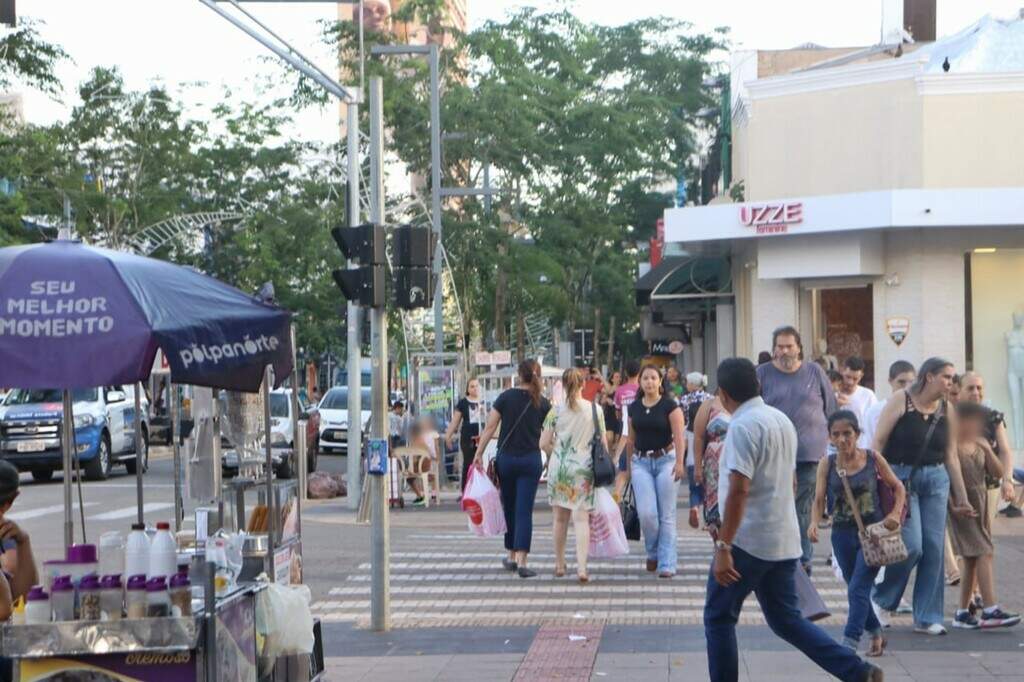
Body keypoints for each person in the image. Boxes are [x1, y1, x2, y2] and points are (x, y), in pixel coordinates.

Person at [704, 358, 883, 682]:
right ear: (758, 386)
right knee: (787, 621)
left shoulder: (742, 427)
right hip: (783, 540)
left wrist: (724, 545)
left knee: (718, 617)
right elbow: (791, 480)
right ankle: (857, 671)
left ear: (723, 394)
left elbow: (739, 491)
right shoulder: (780, 420)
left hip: (747, 542)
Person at [871, 357, 975, 635]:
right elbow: (878, 443)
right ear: (929, 377)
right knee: (912, 545)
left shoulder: (947, 409)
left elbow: (951, 455)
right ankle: (883, 599)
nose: (951, 383)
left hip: (936, 479)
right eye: (946, 377)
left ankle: (927, 616)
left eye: (952, 379)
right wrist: (876, 479)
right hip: (902, 479)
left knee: (934, 548)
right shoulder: (901, 400)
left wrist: (962, 497)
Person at [810, 411, 906, 655]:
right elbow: (819, 498)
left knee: (857, 589)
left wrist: (894, 514)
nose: (842, 440)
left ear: (857, 434)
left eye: (847, 434)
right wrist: (813, 522)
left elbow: (898, 487)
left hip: (873, 535)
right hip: (841, 535)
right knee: (857, 589)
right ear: (829, 437)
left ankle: (849, 644)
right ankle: (875, 633)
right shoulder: (827, 464)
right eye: (836, 435)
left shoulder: (873, 459)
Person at [756, 326, 837, 574]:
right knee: (777, 506)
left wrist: (836, 443)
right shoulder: (762, 374)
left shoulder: (814, 372)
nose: (784, 351)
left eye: (789, 346)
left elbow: (831, 408)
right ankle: (777, 556)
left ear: (799, 347)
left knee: (802, 507)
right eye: (779, 346)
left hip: (809, 455)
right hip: (773, 455)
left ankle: (802, 560)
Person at [472, 360, 552, 578]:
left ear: (519, 374)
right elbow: (552, 433)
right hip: (531, 461)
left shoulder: (505, 398)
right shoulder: (543, 403)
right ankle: (523, 559)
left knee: (509, 507)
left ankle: (511, 555)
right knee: (524, 510)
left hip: (506, 460)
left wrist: (478, 454)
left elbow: (489, 427)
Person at [947, 402, 1020, 629]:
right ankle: (990, 609)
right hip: (962, 507)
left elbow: (997, 472)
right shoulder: (950, 447)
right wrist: (954, 504)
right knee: (985, 551)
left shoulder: (978, 443)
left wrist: (987, 449)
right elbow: (945, 481)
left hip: (980, 503)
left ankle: (962, 611)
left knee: (970, 558)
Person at [540, 368, 605, 583]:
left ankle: (559, 564)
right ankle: (582, 568)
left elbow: (542, 443)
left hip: (559, 467)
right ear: (583, 384)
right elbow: (603, 443)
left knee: (559, 519)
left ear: (564, 385)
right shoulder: (595, 410)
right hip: (583, 468)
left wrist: (557, 452)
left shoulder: (555, 411)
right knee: (581, 519)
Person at [625, 364, 686, 578]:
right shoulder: (633, 408)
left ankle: (667, 562)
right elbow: (630, 439)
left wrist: (680, 463)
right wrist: (628, 468)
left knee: (666, 514)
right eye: (645, 378)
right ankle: (652, 551)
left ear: (660, 381)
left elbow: (679, 437)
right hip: (641, 462)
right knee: (647, 513)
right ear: (640, 382)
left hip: (666, 461)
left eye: (653, 378)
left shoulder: (670, 406)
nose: (649, 382)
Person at [960, 372, 1017, 515]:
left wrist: (1007, 480)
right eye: (970, 388)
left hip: (988, 484)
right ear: (959, 390)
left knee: (985, 531)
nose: (976, 392)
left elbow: (1005, 451)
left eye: (979, 388)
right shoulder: (950, 415)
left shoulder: (993, 417)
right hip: (957, 484)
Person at [692, 392, 731, 536]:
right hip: (714, 467)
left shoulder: (745, 402)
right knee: (715, 513)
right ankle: (719, 549)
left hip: (740, 463)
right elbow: (698, 437)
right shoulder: (709, 405)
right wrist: (697, 466)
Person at [859, 361, 915, 449]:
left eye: (911, 382)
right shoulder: (875, 410)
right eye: (901, 382)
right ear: (890, 381)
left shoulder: (919, 410)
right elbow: (869, 443)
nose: (906, 387)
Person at [680, 372, 711, 529]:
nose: (686, 385)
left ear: (692, 384)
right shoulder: (710, 399)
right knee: (709, 486)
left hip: (691, 440)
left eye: (687, 383)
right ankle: (708, 519)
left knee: (694, 485)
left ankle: (694, 507)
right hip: (709, 445)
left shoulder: (685, 400)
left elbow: (683, 422)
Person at [445, 378, 486, 495]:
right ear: (468, 389)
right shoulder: (463, 403)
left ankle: (479, 490)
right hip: (467, 438)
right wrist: (448, 435)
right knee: (469, 463)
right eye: (472, 386)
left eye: (477, 386)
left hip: (481, 437)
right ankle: (466, 491)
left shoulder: (483, 402)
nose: (475, 388)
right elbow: (455, 421)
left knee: (481, 464)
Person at [612, 360, 641, 498]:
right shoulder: (643, 390)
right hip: (641, 438)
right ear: (640, 373)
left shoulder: (619, 391)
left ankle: (616, 500)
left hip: (625, 435)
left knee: (623, 473)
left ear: (625, 373)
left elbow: (617, 413)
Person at [404, 419, 439, 505]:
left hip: (421, 467)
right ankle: (424, 495)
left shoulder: (415, 442)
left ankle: (420, 495)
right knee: (430, 478)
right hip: (427, 465)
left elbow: (415, 458)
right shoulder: (423, 441)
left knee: (409, 478)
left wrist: (410, 469)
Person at [837, 357, 878, 427]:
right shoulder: (831, 394)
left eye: (855, 379)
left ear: (861, 376)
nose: (850, 382)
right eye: (848, 377)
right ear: (842, 371)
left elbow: (875, 421)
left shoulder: (868, 395)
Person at [601, 370, 622, 451]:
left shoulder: (622, 389)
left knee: (617, 443)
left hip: (619, 417)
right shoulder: (608, 389)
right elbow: (602, 401)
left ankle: (614, 459)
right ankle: (608, 455)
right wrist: (606, 399)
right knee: (609, 439)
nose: (619, 378)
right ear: (612, 379)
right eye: (616, 377)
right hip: (609, 416)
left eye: (620, 377)